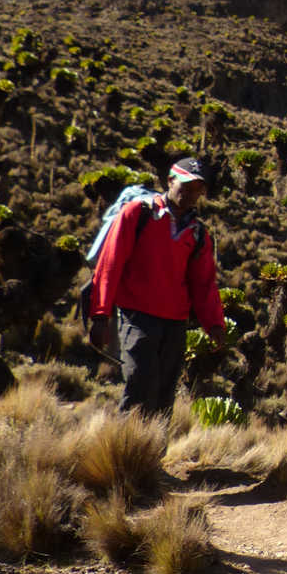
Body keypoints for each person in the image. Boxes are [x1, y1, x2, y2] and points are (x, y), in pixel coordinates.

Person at [88, 157, 226, 417]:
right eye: (187, 185)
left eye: (198, 188)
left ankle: (154, 452)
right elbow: (110, 264)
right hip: (137, 316)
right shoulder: (138, 214)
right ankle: (125, 449)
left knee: (164, 393)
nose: (192, 193)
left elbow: (204, 283)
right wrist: (100, 315)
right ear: (170, 181)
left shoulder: (198, 233)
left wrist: (215, 325)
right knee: (140, 383)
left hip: (174, 323)